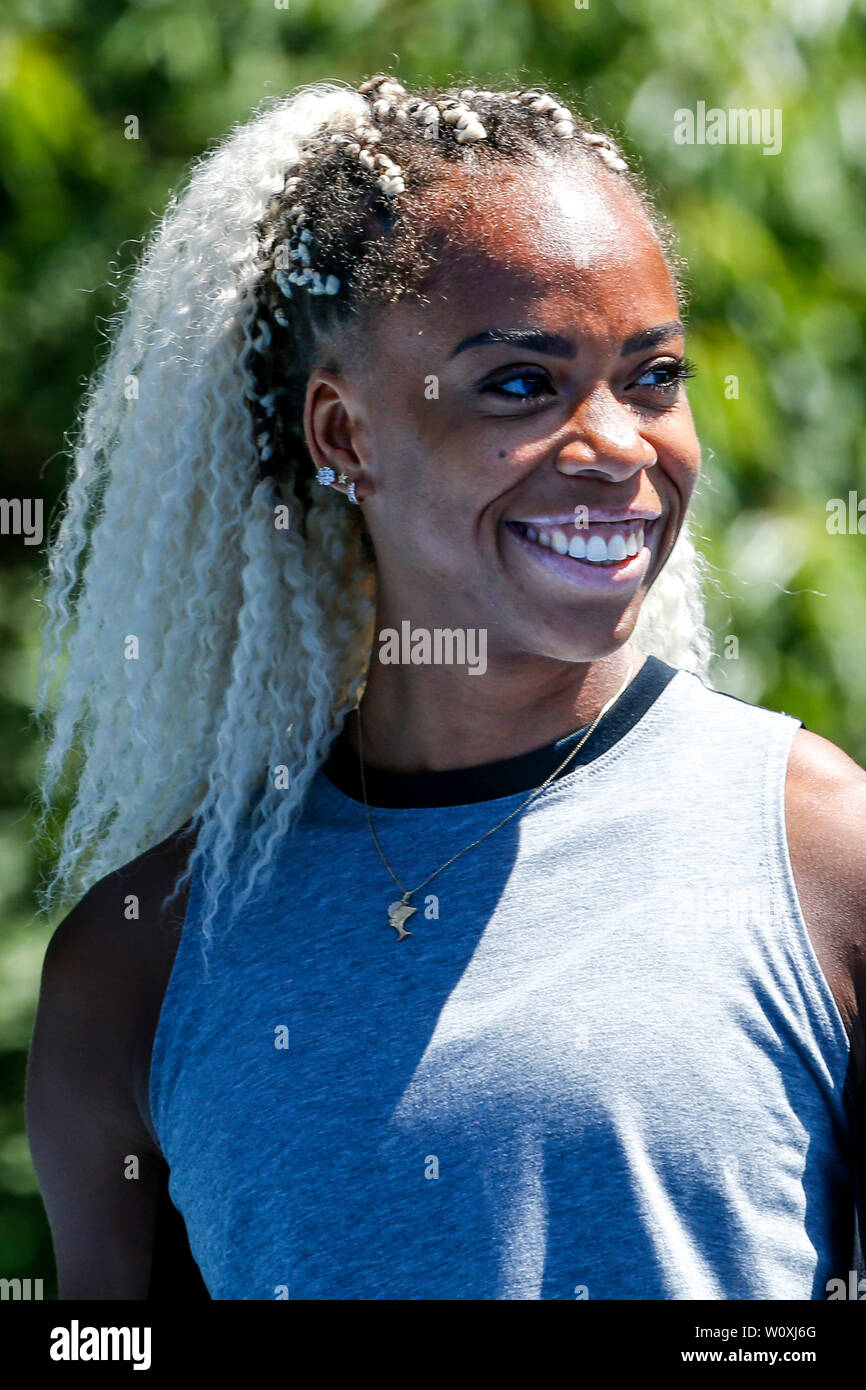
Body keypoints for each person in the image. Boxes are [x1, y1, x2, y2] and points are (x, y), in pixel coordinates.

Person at [25, 74, 866, 1301]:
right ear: (343, 437)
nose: (619, 446)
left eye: (652, 375)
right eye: (520, 385)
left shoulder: (820, 862)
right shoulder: (139, 964)